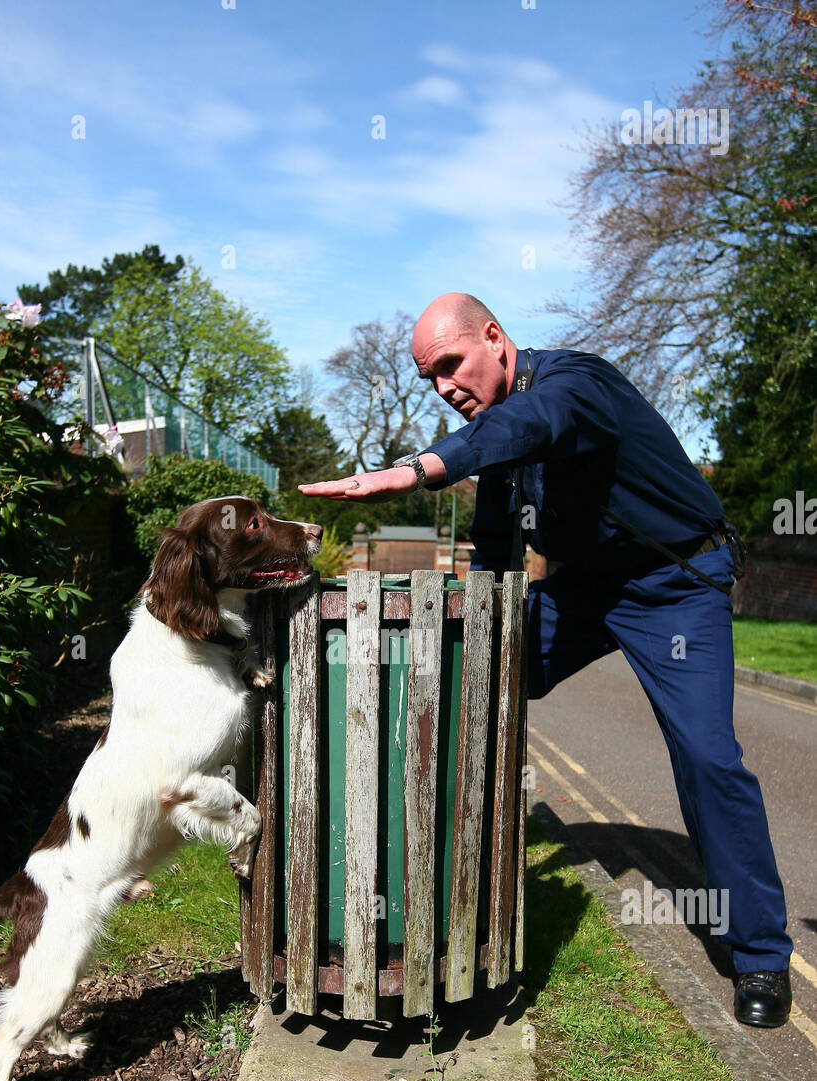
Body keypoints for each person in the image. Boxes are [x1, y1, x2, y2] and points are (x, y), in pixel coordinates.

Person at [299, 292, 793, 1028]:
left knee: (705, 756)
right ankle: (429, 864)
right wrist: (477, 628)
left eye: (450, 365)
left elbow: (531, 423)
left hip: (674, 585)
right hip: (585, 591)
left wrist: (415, 469)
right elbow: (497, 548)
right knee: (478, 680)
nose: (444, 387)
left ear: (494, 338)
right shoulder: (493, 438)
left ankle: (758, 952)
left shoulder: (573, 383)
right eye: (429, 378)